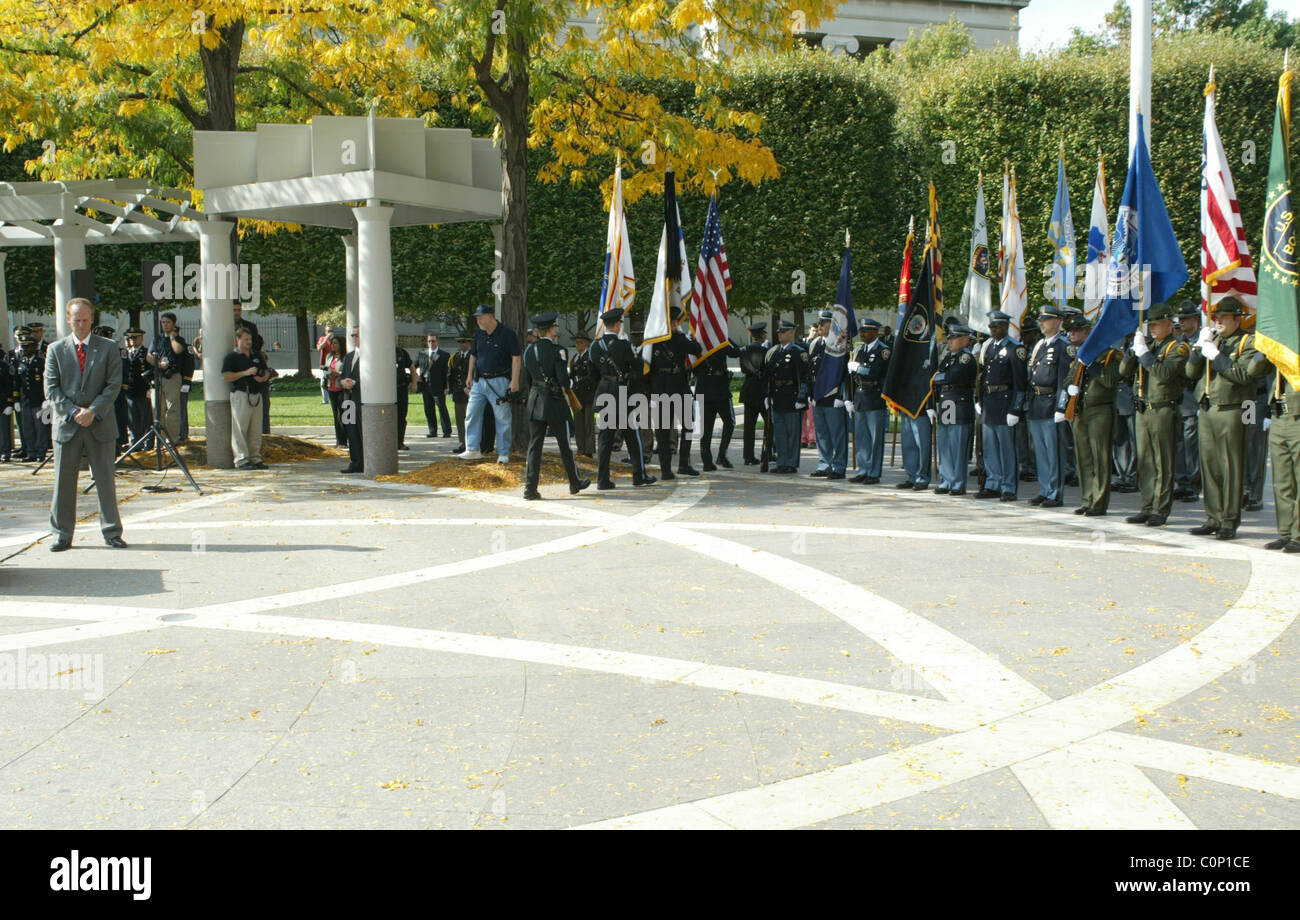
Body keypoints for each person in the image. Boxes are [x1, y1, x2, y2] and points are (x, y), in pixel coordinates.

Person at [44, 298, 126, 551]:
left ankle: (112, 531)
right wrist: (73, 411)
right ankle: (62, 533)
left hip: (99, 424)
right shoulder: (55, 350)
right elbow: (51, 388)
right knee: (63, 482)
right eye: (76, 319)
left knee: (104, 480)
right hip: (67, 426)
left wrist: (93, 411)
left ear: (93, 320)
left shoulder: (109, 348)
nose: (80, 324)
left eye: (85, 320)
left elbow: (113, 385)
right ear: (68, 319)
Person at [1184, 296, 1257, 540]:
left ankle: (1228, 520)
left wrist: (1216, 356)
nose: (1219, 321)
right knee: (1210, 468)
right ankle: (1212, 517)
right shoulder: (1212, 340)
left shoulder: (1247, 342)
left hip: (1232, 409)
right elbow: (1190, 373)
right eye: (1217, 317)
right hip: (1207, 408)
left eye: (1224, 317)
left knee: (1230, 468)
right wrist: (1198, 350)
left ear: (1237, 319)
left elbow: (1244, 376)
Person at [1119, 302, 1187, 527]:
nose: (1154, 329)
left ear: (1170, 324)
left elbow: (1164, 374)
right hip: (1143, 410)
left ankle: (1160, 508)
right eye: (1152, 325)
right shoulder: (1148, 346)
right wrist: (1132, 350)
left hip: (1162, 409)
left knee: (1162, 461)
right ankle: (1147, 506)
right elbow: (1123, 372)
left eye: (1158, 324)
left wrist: (1145, 354)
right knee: (1146, 462)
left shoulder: (1177, 348)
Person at [521, 312, 591, 500]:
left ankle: (530, 488)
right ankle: (574, 482)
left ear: (537, 330)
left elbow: (528, 379)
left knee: (534, 446)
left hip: (536, 400)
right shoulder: (558, 350)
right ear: (551, 329)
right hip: (554, 402)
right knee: (565, 446)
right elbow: (564, 382)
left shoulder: (529, 351)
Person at [1058, 313, 1121, 515]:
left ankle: (1099, 501)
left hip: (1100, 410)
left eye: (1076, 330)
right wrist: (1069, 388)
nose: (1072, 334)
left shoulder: (1109, 354)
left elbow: (1111, 381)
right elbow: (1068, 378)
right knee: (1083, 456)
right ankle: (1087, 499)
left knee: (1099, 457)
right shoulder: (1079, 355)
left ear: (1088, 332)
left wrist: (1092, 364)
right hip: (1080, 409)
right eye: (1070, 331)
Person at [588, 308, 655, 489]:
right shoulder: (624, 346)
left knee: (605, 439)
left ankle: (602, 480)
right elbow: (638, 367)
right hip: (622, 393)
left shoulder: (594, 346)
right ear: (617, 324)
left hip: (605, 392)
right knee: (633, 436)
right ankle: (639, 476)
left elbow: (591, 373)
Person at [458, 304, 521, 463]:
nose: (478, 320)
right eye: (477, 317)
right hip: (480, 381)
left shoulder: (507, 333)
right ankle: (472, 449)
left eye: (480, 317)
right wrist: (469, 374)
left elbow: (516, 357)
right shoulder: (479, 333)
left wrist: (514, 380)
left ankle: (503, 453)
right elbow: (474, 354)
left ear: (490, 316)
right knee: (472, 414)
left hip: (500, 380)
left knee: (502, 418)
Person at [976, 310, 1027, 502]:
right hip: (989, 402)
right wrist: (979, 400)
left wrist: (1016, 409)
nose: (993, 330)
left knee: (1006, 449)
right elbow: (983, 378)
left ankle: (1008, 487)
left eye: (997, 326)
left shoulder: (1015, 349)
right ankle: (993, 483)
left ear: (1005, 327)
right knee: (990, 448)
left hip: (1005, 403)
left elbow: (1020, 383)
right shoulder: (989, 347)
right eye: (991, 327)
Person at [648, 305, 702, 478]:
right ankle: (673, 467)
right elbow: (696, 348)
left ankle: (674, 467)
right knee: (670, 429)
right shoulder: (679, 338)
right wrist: (683, 333)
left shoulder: (655, 341)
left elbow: (696, 350)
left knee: (680, 427)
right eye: (675, 321)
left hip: (667, 387)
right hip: (675, 386)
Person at [1026, 305, 1071, 508]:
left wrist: (1062, 407)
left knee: (1054, 452)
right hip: (1037, 403)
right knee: (1041, 452)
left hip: (1052, 403)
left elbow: (1064, 379)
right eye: (1041, 320)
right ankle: (1044, 489)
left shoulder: (1063, 346)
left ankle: (1055, 493)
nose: (1042, 323)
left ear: (1058, 321)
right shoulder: (1040, 345)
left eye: (1046, 319)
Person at [1259, 356, 1300, 552]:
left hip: (1297, 415)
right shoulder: (1278, 345)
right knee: (1281, 480)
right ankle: (1285, 532)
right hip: (1278, 414)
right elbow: (1253, 371)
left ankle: (1298, 534)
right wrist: (1264, 353)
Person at [931, 324, 977, 495]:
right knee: (945, 444)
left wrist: (938, 378)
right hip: (946, 403)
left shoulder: (966, 358)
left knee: (957, 446)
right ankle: (946, 480)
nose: (950, 341)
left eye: (954, 338)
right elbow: (938, 375)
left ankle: (957, 483)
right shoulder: (949, 358)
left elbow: (951, 376)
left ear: (965, 340)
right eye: (949, 338)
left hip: (958, 403)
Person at [808, 309, 850, 480]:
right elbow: (810, 370)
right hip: (818, 396)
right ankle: (824, 464)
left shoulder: (839, 345)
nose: (819, 326)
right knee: (822, 434)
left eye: (823, 323)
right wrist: (810, 393)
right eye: (819, 323)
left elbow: (844, 373)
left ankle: (839, 466)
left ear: (832, 325)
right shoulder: (815, 344)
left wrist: (842, 396)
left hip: (833, 396)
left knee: (837, 434)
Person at [221, 327, 270, 470]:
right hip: (241, 394)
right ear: (238, 340)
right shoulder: (231, 357)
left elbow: (266, 371)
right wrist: (244, 373)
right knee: (240, 429)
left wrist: (263, 377)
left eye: (250, 339)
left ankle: (255, 457)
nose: (249, 342)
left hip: (256, 394)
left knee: (255, 428)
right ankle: (241, 459)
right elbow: (225, 376)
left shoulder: (256, 355)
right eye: (246, 339)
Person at [764, 319, 809, 473]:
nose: (780, 334)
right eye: (779, 332)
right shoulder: (775, 352)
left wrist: (802, 398)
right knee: (780, 433)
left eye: (783, 332)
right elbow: (769, 376)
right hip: (778, 396)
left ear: (791, 332)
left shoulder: (798, 352)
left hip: (792, 395)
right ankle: (781, 462)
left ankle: (790, 463)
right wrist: (767, 395)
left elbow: (803, 377)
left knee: (792, 433)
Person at [848, 319, 889, 484]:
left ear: (875, 332)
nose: (863, 334)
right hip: (860, 395)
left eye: (866, 331)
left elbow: (875, 372)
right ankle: (863, 469)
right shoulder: (859, 350)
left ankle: (873, 472)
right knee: (861, 437)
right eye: (862, 331)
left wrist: (858, 368)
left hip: (874, 395)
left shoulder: (883, 351)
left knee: (875, 437)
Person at [693, 337, 739, 471]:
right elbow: (736, 351)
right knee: (729, 422)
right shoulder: (719, 341)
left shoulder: (697, 342)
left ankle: (707, 461)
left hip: (704, 388)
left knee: (706, 428)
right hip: (720, 390)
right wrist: (727, 337)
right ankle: (721, 455)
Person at [1173, 300, 1203, 501]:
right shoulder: (1178, 343)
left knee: (1191, 443)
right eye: (1180, 319)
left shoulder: (1203, 340)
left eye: (1185, 319)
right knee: (1178, 443)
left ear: (1196, 319)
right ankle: (1181, 482)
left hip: (1194, 397)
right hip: (1178, 397)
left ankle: (1192, 485)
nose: (1181, 322)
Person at [146, 311, 186, 440]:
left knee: (172, 408)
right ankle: (161, 439)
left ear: (174, 324)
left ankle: (172, 438)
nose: (165, 325)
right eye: (163, 322)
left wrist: (172, 337)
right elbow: (149, 356)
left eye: (168, 322)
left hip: (172, 377)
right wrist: (158, 363)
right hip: (159, 377)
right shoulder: (157, 339)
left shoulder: (179, 339)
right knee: (158, 409)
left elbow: (178, 350)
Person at [13, 327, 50, 462]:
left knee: (40, 428)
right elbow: (17, 382)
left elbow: (46, 382)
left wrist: (47, 399)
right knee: (28, 428)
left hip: (39, 400)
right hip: (25, 401)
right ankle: (31, 452)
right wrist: (16, 399)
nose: (24, 350)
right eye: (23, 348)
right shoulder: (20, 363)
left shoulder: (41, 363)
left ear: (34, 347)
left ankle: (41, 452)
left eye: (27, 348)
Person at [738, 322, 768, 465]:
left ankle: (747, 456)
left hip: (749, 390)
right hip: (762, 391)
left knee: (749, 427)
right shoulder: (766, 351)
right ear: (762, 335)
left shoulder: (744, 351)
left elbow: (744, 369)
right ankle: (767, 453)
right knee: (770, 424)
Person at [1112, 342, 1139, 493]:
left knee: (1135, 440)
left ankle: (1132, 477)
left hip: (1131, 394)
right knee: (1120, 439)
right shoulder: (1116, 342)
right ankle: (1122, 475)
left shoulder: (1140, 341)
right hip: (1118, 396)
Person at [121, 327, 154, 451]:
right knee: (132, 419)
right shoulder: (125, 353)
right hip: (130, 390)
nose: (132, 340)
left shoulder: (146, 353)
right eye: (130, 338)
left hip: (143, 389)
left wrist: (148, 378)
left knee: (145, 418)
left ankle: (148, 443)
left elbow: (155, 368)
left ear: (141, 338)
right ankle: (136, 443)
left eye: (135, 338)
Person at [414, 332, 451, 438]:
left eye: (433, 341)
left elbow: (447, 373)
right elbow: (413, 366)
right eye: (429, 341)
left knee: (442, 408)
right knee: (428, 409)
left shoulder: (444, 355)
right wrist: (416, 376)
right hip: (425, 386)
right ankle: (432, 431)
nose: (431, 343)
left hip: (438, 386)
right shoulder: (422, 354)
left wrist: (447, 387)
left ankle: (447, 431)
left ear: (437, 341)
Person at [567, 331, 597, 457]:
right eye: (576, 342)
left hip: (588, 394)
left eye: (580, 342)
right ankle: (580, 449)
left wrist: (578, 381)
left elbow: (593, 376)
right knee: (578, 424)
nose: (577, 345)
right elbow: (572, 374)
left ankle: (588, 450)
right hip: (577, 395)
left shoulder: (590, 357)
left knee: (588, 423)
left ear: (587, 343)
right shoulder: (575, 358)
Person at [339, 328, 364, 474]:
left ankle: (365, 461)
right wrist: (343, 382)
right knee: (351, 431)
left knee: (362, 432)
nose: (354, 337)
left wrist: (355, 383)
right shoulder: (348, 357)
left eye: (357, 335)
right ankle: (355, 462)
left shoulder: (370, 356)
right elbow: (341, 376)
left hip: (361, 399)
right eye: (352, 335)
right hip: (348, 400)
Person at [448, 333, 473, 452]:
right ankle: (462, 443)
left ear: (469, 343)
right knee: (460, 420)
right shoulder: (455, 357)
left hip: (469, 393)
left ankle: (472, 444)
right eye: (460, 342)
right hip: (458, 393)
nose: (461, 344)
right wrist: (451, 390)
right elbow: (451, 375)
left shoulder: (473, 357)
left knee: (470, 419)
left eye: (464, 342)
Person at [322, 334, 347, 447]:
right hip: (331, 387)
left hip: (341, 389)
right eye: (332, 343)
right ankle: (339, 440)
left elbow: (346, 373)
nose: (332, 345)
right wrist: (327, 373)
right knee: (335, 415)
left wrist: (337, 374)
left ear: (341, 345)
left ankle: (343, 440)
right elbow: (326, 368)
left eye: (335, 343)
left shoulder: (345, 357)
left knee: (342, 415)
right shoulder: (329, 356)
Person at [395, 343, 413, 451]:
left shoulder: (402, 352)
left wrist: (414, 383)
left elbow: (411, 367)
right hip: (387, 390)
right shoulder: (380, 351)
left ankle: (400, 442)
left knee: (401, 416)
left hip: (401, 389)